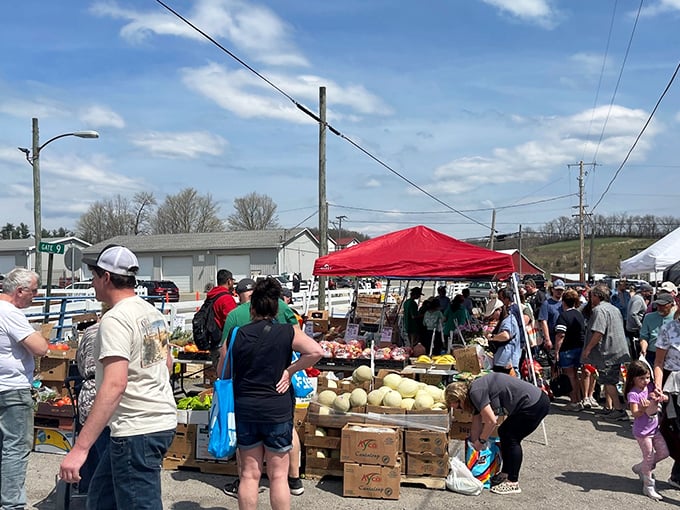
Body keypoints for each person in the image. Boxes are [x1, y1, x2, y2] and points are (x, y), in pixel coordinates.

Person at [59, 244, 177, 510]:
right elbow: (165, 363)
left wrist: (80, 448)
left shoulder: (115, 320)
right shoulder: (151, 312)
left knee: (138, 504)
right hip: (157, 420)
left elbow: (115, 384)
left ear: (107, 277)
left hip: (136, 429)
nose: (92, 283)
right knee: (101, 500)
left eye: (94, 275)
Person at [227, 277, 323, 510]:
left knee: (250, 474)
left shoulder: (237, 334)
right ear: (276, 307)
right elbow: (316, 351)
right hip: (277, 409)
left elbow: (224, 371)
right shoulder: (287, 332)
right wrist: (289, 371)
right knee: (279, 475)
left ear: (252, 308)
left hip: (246, 408)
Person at [445, 373, 550, 495]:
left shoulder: (476, 392)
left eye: (458, 407)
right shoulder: (473, 393)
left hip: (534, 404)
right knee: (504, 432)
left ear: (460, 398)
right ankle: (505, 473)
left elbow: (491, 421)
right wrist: (473, 447)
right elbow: (476, 423)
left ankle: (513, 482)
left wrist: (482, 441)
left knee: (512, 438)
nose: (460, 410)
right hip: (532, 402)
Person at [0, 268, 49, 510]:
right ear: (19, 291)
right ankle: (11, 505)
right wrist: (39, 335)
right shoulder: (10, 313)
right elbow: (40, 348)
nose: (36, 295)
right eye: (33, 290)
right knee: (15, 449)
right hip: (12, 389)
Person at [74, 305, 112, 494]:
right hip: (109, 394)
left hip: (88, 392)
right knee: (107, 453)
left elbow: (79, 362)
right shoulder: (118, 328)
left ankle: (87, 490)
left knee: (91, 448)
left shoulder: (89, 332)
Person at [581, 284, 631, 421]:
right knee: (609, 380)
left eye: (591, 296)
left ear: (596, 296)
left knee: (608, 381)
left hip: (608, 352)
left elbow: (598, 332)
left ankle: (619, 410)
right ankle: (609, 407)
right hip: (618, 350)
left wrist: (588, 349)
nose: (590, 299)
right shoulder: (614, 309)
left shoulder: (599, 310)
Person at [625, 360, 669, 500]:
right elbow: (635, 414)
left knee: (664, 453)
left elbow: (662, 398)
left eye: (648, 377)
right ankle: (648, 486)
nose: (646, 381)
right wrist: (642, 409)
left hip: (654, 428)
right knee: (649, 457)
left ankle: (640, 468)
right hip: (642, 432)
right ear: (633, 378)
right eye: (642, 378)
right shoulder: (633, 394)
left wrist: (662, 397)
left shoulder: (650, 386)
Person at [653, 309, 680, 490]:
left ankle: (677, 476)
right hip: (673, 388)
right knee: (676, 430)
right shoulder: (669, 328)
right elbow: (659, 362)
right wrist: (657, 386)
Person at [554, 289, 585, 411]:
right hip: (579, 348)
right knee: (575, 375)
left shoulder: (563, 316)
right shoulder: (579, 314)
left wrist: (556, 351)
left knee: (570, 376)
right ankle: (578, 399)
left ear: (563, 301)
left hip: (567, 349)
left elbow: (560, 335)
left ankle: (574, 402)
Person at [208, 269, 238, 366]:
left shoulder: (212, 295)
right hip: (222, 342)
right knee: (225, 375)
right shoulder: (226, 298)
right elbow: (231, 321)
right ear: (229, 281)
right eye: (232, 281)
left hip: (213, 339)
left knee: (218, 373)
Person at [484, 298, 521, 375]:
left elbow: (506, 335)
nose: (493, 317)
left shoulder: (509, 320)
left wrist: (492, 337)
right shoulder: (504, 320)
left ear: (499, 310)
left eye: (492, 314)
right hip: (501, 361)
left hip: (507, 362)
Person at [640, 292, 676, 368]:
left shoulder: (675, 319)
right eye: (658, 305)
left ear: (671, 305)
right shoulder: (648, 317)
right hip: (652, 354)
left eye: (663, 305)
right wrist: (643, 349)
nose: (660, 307)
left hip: (671, 356)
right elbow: (644, 337)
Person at [538, 280, 566, 355]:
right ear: (552, 289)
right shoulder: (546, 304)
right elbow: (544, 322)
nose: (559, 292)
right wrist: (547, 339)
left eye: (561, 290)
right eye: (557, 290)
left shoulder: (565, 303)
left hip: (564, 338)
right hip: (552, 338)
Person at [626, 283, 652, 358]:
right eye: (649, 292)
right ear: (644, 291)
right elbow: (633, 313)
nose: (650, 294)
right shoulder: (638, 299)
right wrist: (640, 326)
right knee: (636, 350)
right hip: (635, 330)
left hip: (634, 328)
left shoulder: (637, 298)